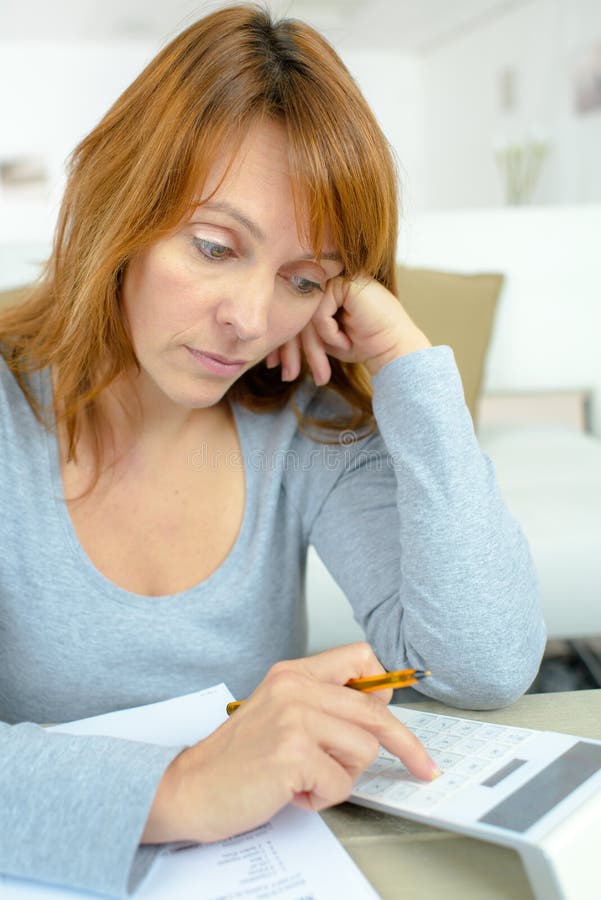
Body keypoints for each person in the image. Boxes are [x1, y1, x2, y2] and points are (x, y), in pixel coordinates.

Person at [0, 4, 545, 897]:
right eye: (215, 247)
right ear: (119, 210)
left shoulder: (303, 424)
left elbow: (479, 666)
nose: (250, 322)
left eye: (303, 279)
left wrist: (408, 366)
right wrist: (177, 790)